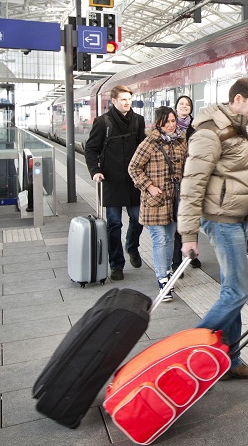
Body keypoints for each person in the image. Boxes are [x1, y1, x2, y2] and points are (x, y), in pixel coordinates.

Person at [178, 77, 248, 380]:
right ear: (238, 100)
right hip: (220, 220)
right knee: (238, 291)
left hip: (236, 218)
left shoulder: (242, 129)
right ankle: (185, 353)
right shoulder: (210, 131)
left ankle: (231, 359)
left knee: (232, 290)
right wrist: (188, 235)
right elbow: (192, 185)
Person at [85, 85, 146, 282]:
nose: (126, 102)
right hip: (111, 181)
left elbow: (143, 149)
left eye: (128, 99)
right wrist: (95, 171)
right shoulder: (103, 123)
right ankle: (116, 264)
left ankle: (132, 247)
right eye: (122, 99)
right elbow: (91, 149)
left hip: (134, 182)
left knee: (138, 219)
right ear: (114, 101)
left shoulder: (138, 121)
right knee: (114, 224)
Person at [128, 106, 188, 302]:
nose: (171, 125)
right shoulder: (149, 143)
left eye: (173, 121)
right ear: (158, 123)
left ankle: (168, 271)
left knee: (170, 238)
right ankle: (162, 279)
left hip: (173, 201)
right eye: (167, 121)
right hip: (155, 201)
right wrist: (149, 186)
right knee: (159, 239)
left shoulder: (181, 142)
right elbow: (134, 168)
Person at [171, 95, 201, 274]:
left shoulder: (196, 127)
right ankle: (176, 263)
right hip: (174, 181)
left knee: (191, 218)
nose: (184, 106)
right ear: (176, 106)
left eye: (187, 104)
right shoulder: (169, 125)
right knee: (177, 222)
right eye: (181, 104)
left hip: (191, 178)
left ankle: (192, 255)